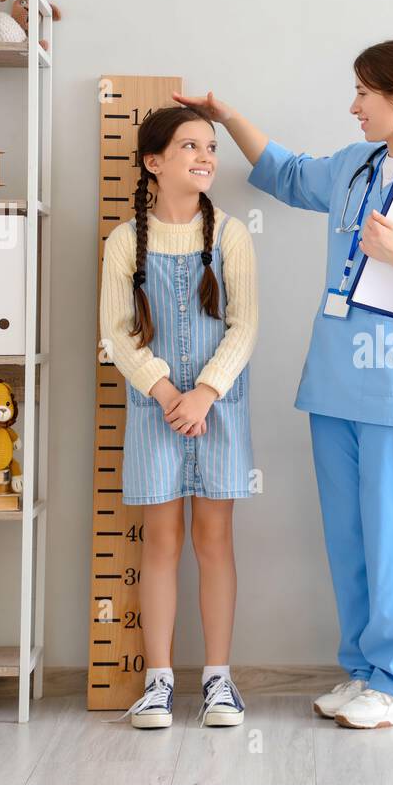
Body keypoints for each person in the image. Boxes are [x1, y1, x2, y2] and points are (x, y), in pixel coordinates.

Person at [175, 37, 393, 729]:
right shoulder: (355, 165)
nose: (353, 107)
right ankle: (364, 672)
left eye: (364, 94)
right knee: (349, 538)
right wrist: (227, 117)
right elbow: (286, 173)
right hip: (333, 384)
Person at [99, 105, 259, 729]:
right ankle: (158, 681)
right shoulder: (122, 241)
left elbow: (245, 326)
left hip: (220, 411)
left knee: (215, 540)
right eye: (189, 145)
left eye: (211, 147)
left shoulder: (233, 236)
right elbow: (116, 334)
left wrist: (206, 393)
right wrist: (168, 394)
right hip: (153, 413)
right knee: (160, 542)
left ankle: (219, 679)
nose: (205, 156)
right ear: (154, 162)